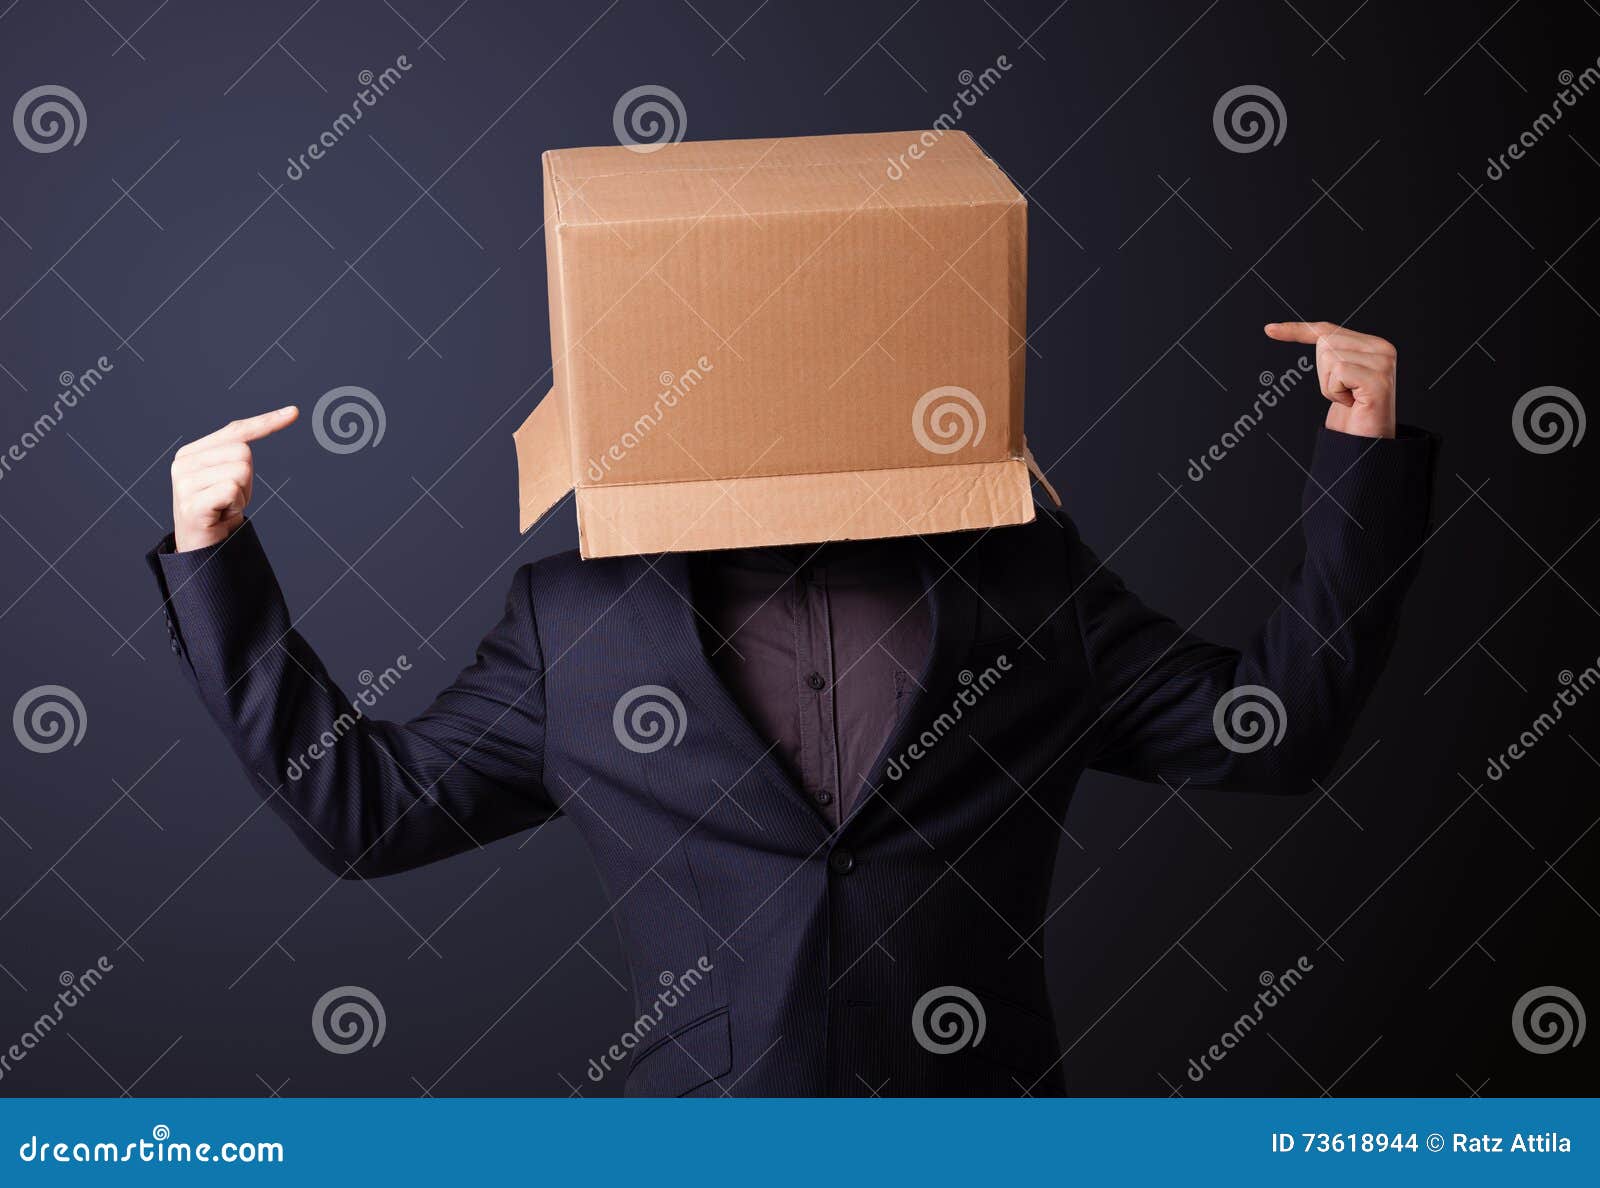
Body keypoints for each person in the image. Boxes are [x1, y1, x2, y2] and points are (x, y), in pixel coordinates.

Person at [148, 321, 1435, 1096]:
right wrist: (218, 564)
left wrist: (1358, 457)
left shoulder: (1027, 583)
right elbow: (367, 814)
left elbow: (1273, 731)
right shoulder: (581, 620)